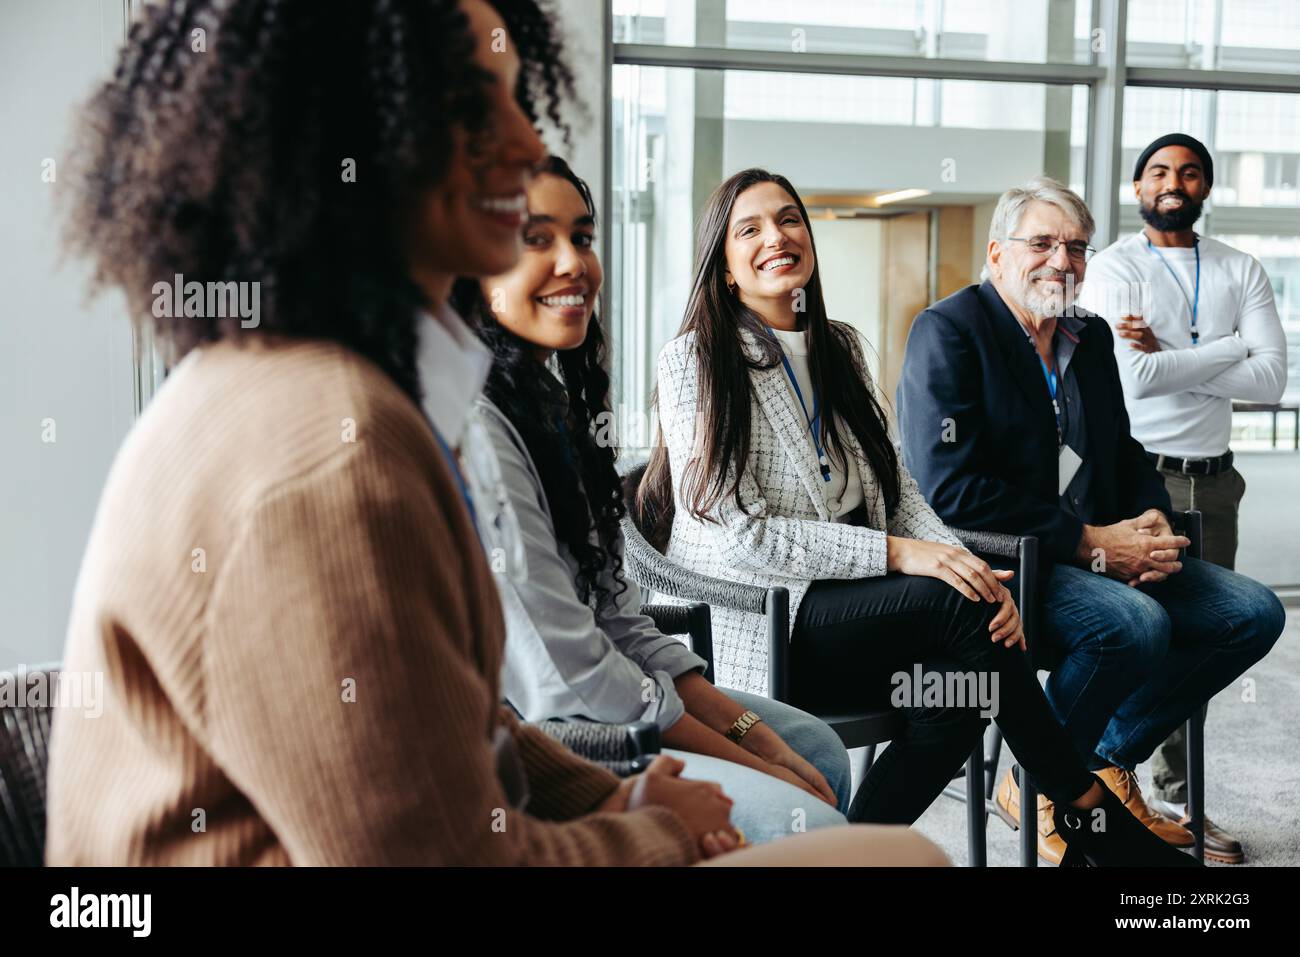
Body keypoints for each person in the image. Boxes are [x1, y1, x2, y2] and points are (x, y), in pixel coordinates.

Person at [45, 0, 942, 868]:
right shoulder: (327, 451)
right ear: (337, 138)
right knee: (898, 857)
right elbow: (437, 852)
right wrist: (652, 829)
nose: (523, 144)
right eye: (479, 107)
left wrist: (616, 799)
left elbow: (467, 719)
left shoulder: (343, 393)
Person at [639, 166, 1201, 866]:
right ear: (723, 267)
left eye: (788, 219)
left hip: (849, 609)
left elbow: (901, 489)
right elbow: (741, 533)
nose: (776, 236)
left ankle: (842, 855)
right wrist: (908, 557)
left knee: (961, 693)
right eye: (748, 228)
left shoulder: (838, 346)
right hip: (760, 617)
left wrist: (962, 563)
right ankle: (1090, 816)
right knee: (957, 607)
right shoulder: (695, 358)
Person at [449, 156, 851, 844]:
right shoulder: (477, 425)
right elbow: (570, 676)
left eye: (582, 236)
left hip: (618, 692)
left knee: (814, 748)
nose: (574, 262)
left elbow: (621, 619)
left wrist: (760, 738)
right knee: (805, 812)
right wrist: (745, 754)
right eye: (536, 239)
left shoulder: (551, 405)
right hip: (551, 736)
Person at [896, 175, 1285, 864]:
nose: (1063, 260)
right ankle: (1055, 778)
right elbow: (950, 487)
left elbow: (1122, 451)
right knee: (1134, 625)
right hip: (1007, 561)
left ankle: (1074, 767)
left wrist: (1153, 522)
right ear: (996, 253)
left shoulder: (1090, 334)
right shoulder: (951, 331)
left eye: (1076, 246)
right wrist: (1089, 541)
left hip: (1101, 547)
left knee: (1252, 612)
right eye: (1041, 243)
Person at [1074, 135, 1288, 863]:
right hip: (1144, 480)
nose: (1174, 182)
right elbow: (1132, 381)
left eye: (1189, 171)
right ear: (1138, 185)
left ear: (1206, 186)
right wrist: (1231, 346)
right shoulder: (1113, 267)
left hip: (1216, 479)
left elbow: (1272, 383)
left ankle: (1178, 790)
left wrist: (1174, 355)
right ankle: (1103, 772)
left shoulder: (1240, 265)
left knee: (1213, 636)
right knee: (1142, 632)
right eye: (1160, 170)